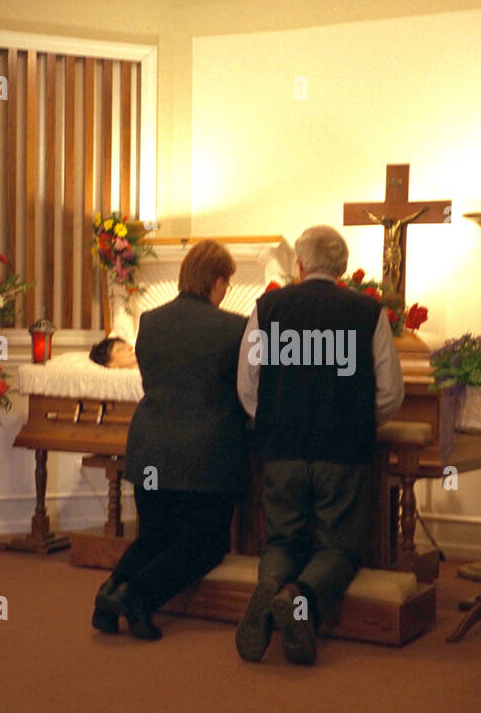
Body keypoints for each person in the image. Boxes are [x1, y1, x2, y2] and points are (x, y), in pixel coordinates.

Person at [235, 225, 404, 664]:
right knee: (340, 547)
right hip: (342, 451)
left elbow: (247, 383)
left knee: (281, 540)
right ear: (343, 269)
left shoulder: (267, 307)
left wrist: (271, 420)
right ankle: (299, 596)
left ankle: (270, 585)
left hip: (283, 449)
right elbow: (390, 392)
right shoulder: (367, 312)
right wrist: (358, 423)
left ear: (300, 265)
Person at [92, 240, 249, 640]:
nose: (225, 291)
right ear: (216, 282)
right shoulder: (234, 328)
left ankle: (107, 596)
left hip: (149, 446)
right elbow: (246, 392)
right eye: (226, 283)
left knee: (155, 535)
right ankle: (138, 597)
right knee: (207, 544)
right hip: (203, 455)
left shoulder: (152, 321)